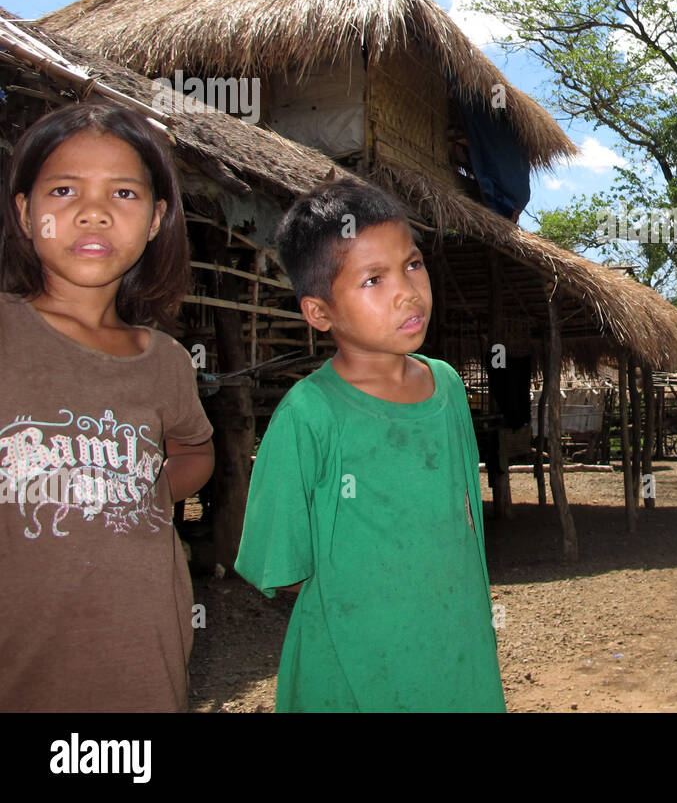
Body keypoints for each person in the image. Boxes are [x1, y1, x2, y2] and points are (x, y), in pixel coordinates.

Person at [234, 180, 506, 712]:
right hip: (351, 674)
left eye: (412, 264)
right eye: (373, 279)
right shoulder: (307, 416)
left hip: (456, 657)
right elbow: (282, 568)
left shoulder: (447, 386)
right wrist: (374, 601)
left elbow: (460, 520)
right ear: (319, 312)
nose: (407, 290)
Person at [0, 103, 214, 712]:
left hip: (142, 666)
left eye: (123, 192)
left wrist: (146, 486)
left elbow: (194, 449)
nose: (93, 211)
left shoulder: (166, 360)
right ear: (25, 213)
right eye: (64, 189)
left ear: (155, 219)